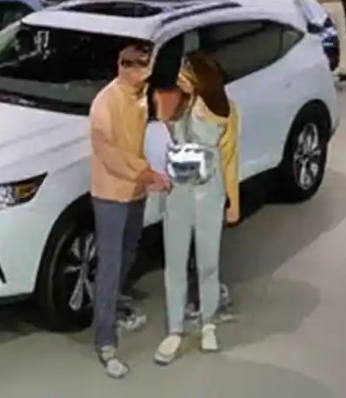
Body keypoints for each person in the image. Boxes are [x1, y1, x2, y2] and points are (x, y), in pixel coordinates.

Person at [151, 53, 241, 365]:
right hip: (178, 192)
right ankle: (174, 329)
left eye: (184, 72)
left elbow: (230, 158)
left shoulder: (225, 110)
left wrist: (234, 201)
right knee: (174, 264)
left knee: (208, 262)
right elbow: (160, 119)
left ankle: (208, 324)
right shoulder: (176, 103)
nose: (179, 77)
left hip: (210, 191)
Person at [88, 41, 168, 379]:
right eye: (142, 67)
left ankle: (116, 307)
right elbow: (110, 155)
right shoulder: (104, 104)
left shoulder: (142, 95)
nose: (147, 74)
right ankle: (105, 341)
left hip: (136, 191)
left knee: (129, 251)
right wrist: (148, 174)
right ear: (125, 66)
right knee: (110, 263)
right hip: (110, 194)